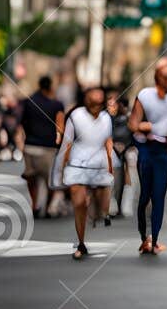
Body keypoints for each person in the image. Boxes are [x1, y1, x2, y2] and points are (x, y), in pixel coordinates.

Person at [128, 62, 167, 256]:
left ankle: (154, 239)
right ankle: (143, 237)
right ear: (158, 78)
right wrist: (145, 126)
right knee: (145, 194)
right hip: (146, 149)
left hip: (164, 151)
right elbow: (133, 124)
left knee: (159, 195)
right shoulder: (145, 95)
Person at [57, 86, 115, 260]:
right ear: (86, 101)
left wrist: (110, 165)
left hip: (99, 167)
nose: (96, 105)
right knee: (80, 203)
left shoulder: (106, 119)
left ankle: (96, 213)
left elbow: (108, 142)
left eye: (99, 102)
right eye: (92, 101)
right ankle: (81, 243)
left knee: (101, 207)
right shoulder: (75, 116)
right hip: (77, 166)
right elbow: (67, 142)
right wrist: (62, 167)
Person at [17, 76, 65, 217]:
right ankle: (48, 207)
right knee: (50, 181)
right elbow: (60, 126)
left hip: (30, 146)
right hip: (48, 148)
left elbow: (22, 123)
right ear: (50, 86)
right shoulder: (57, 104)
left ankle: (34, 206)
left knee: (31, 180)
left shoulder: (28, 102)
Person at [107, 90, 133, 220]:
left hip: (123, 154)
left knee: (120, 182)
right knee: (111, 181)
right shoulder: (105, 118)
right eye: (109, 105)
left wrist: (125, 146)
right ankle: (106, 207)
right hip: (109, 153)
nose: (112, 107)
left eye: (114, 104)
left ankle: (118, 206)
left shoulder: (127, 119)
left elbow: (132, 134)